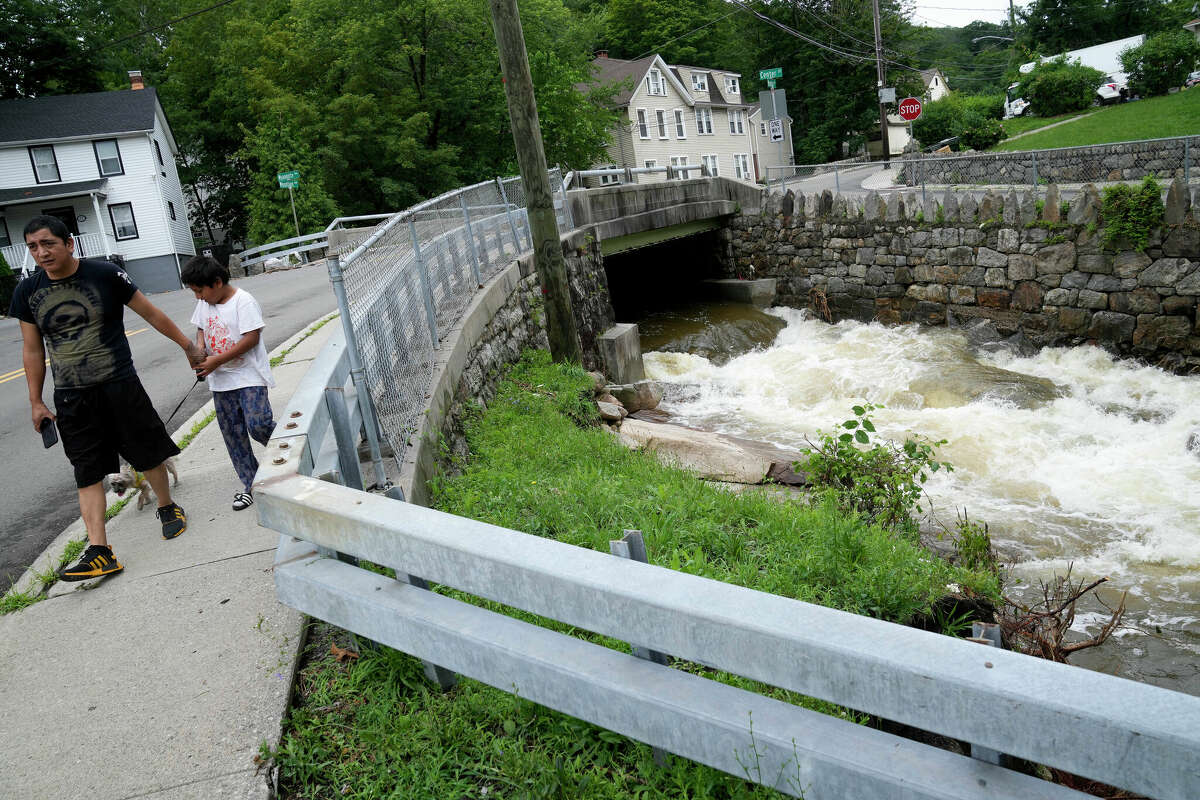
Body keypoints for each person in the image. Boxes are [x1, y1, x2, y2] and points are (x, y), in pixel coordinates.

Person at [11, 216, 205, 581]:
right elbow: (32, 350)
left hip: (118, 383)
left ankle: (167, 506)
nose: (41, 253)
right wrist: (36, 401)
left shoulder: (105, 275)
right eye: (33, 247)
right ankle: (100, 550)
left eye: (47, 243)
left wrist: (187, 346)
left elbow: (150, 313)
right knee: (86, 472)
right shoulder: (27, 292)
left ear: (69, 244)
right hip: (71, 396)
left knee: (146, 451)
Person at [181, 255, 276, 511]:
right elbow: (201, 328)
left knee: (259, 425)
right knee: (233, 436)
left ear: (217, 282)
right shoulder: (205, 304)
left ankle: (292, 451)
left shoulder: (243, 301)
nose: (198, 297)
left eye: (199, 290)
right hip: (222, 383)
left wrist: (217, 360)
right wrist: (200, 351)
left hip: (249, 377)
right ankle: (252, 485)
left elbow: (251, 339)